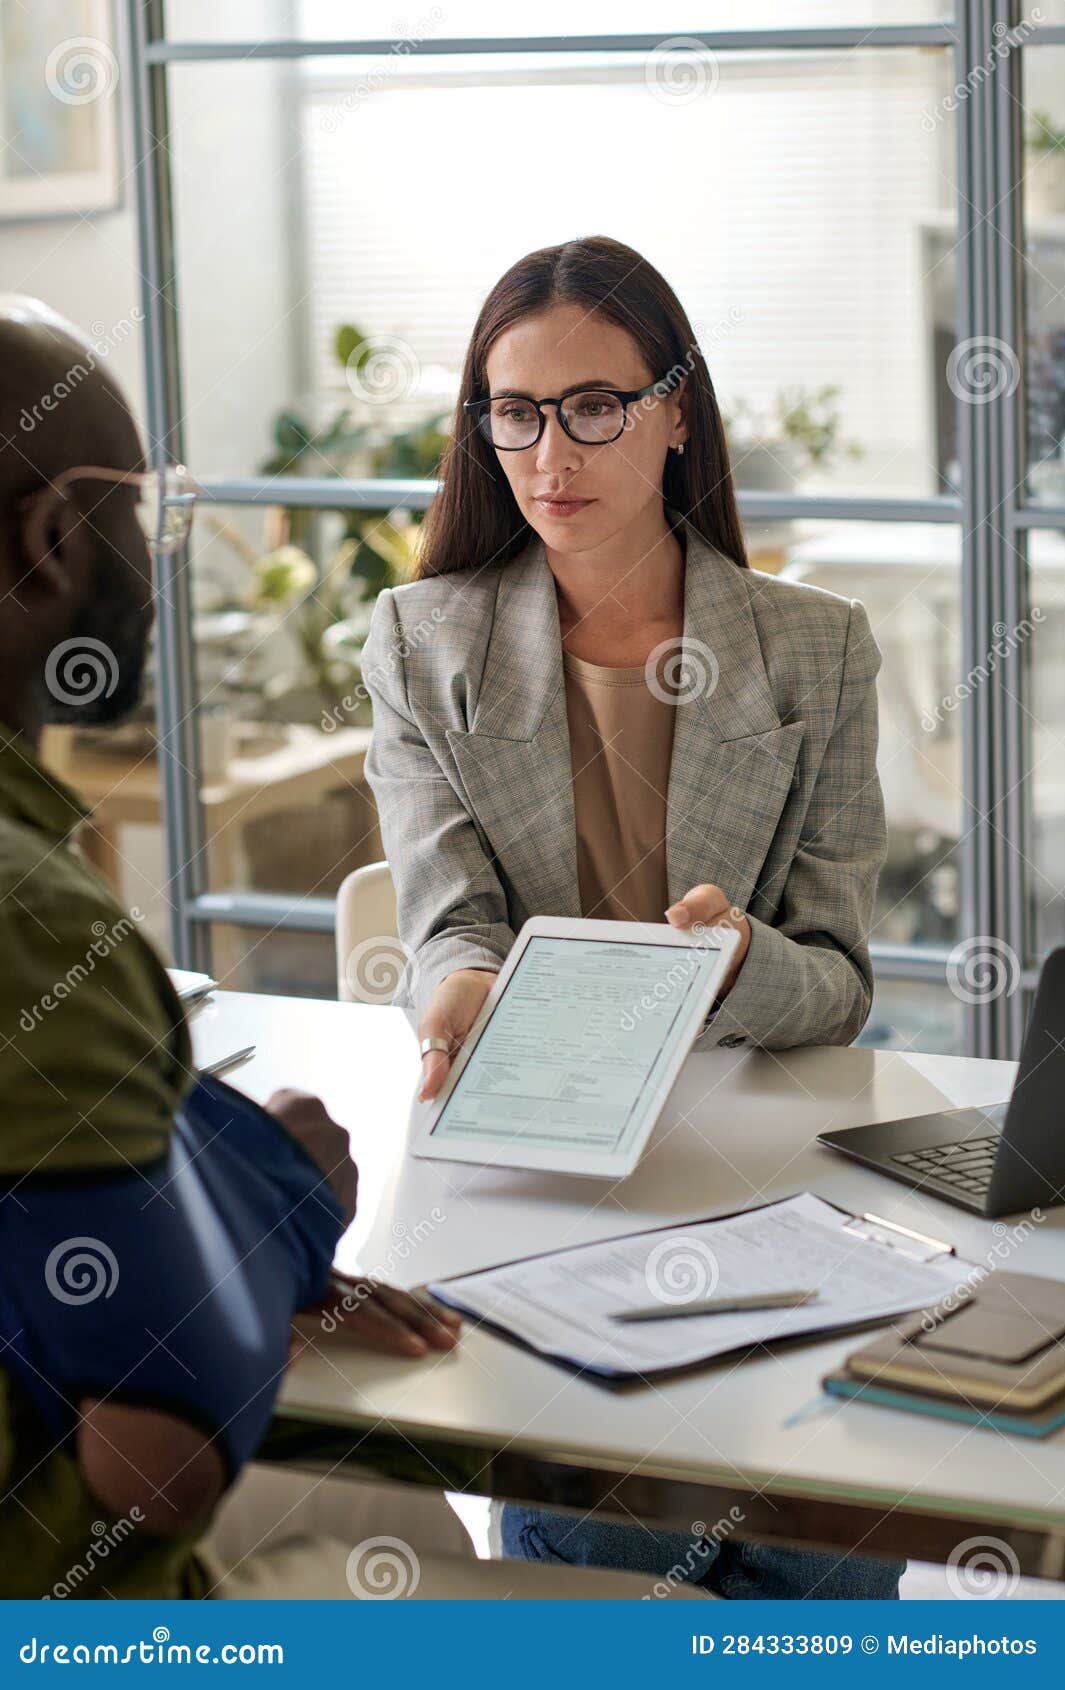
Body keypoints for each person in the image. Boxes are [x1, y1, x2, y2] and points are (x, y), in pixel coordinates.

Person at [360, 235, 903, 1599]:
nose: (552, 453)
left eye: (594, 406)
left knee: (812, 1555)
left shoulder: (814, 645)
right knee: (606, 1568)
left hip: (761, 1169)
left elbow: (839, 981)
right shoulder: (420, 641)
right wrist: (459, 991)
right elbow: (450, 921)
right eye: (515, 413)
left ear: (673, 410)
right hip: (548, 1181)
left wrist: (735, 965)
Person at [0, 297, 469, 1600]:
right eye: (141, 513)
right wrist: (269, 1187)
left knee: (393, 1501)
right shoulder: (32, 918)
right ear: (49, 543)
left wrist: (173, 1196)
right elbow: (161, 1452)